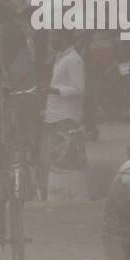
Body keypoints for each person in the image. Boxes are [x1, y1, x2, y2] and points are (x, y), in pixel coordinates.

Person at [39, 28, 85, 198]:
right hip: (54, 116)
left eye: (54, 36)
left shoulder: (73, 60)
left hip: (66, 117)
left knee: (66, 160)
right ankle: (54, 194)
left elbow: (78, 89)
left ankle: (70, 195)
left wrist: (54, 90)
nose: (51, 40)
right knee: (53, 160)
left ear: (63, 38)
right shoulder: (59, 58)